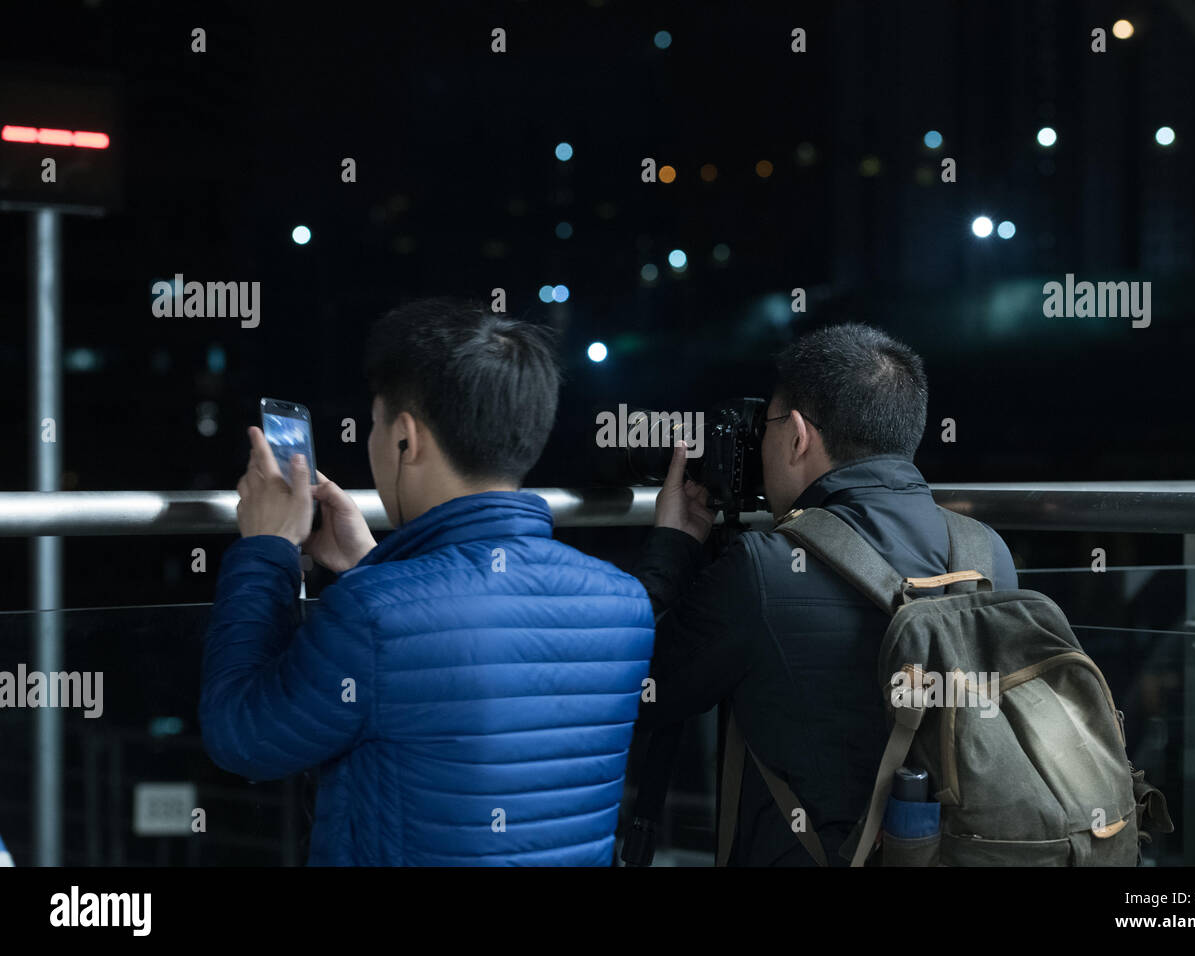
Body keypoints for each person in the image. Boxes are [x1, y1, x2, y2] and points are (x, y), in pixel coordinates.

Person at [200, 298, 655, 865]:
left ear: (405, 440)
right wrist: (375, 564)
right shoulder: (624, 602)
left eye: (375, 424)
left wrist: (265, 549)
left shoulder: (373, 615)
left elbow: (241, 734)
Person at [633, 323, 1018, 866]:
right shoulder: (985, 554)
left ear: (797, 435)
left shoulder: (763, 569)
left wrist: (673, 547)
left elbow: (632, 689)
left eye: (763, 424)